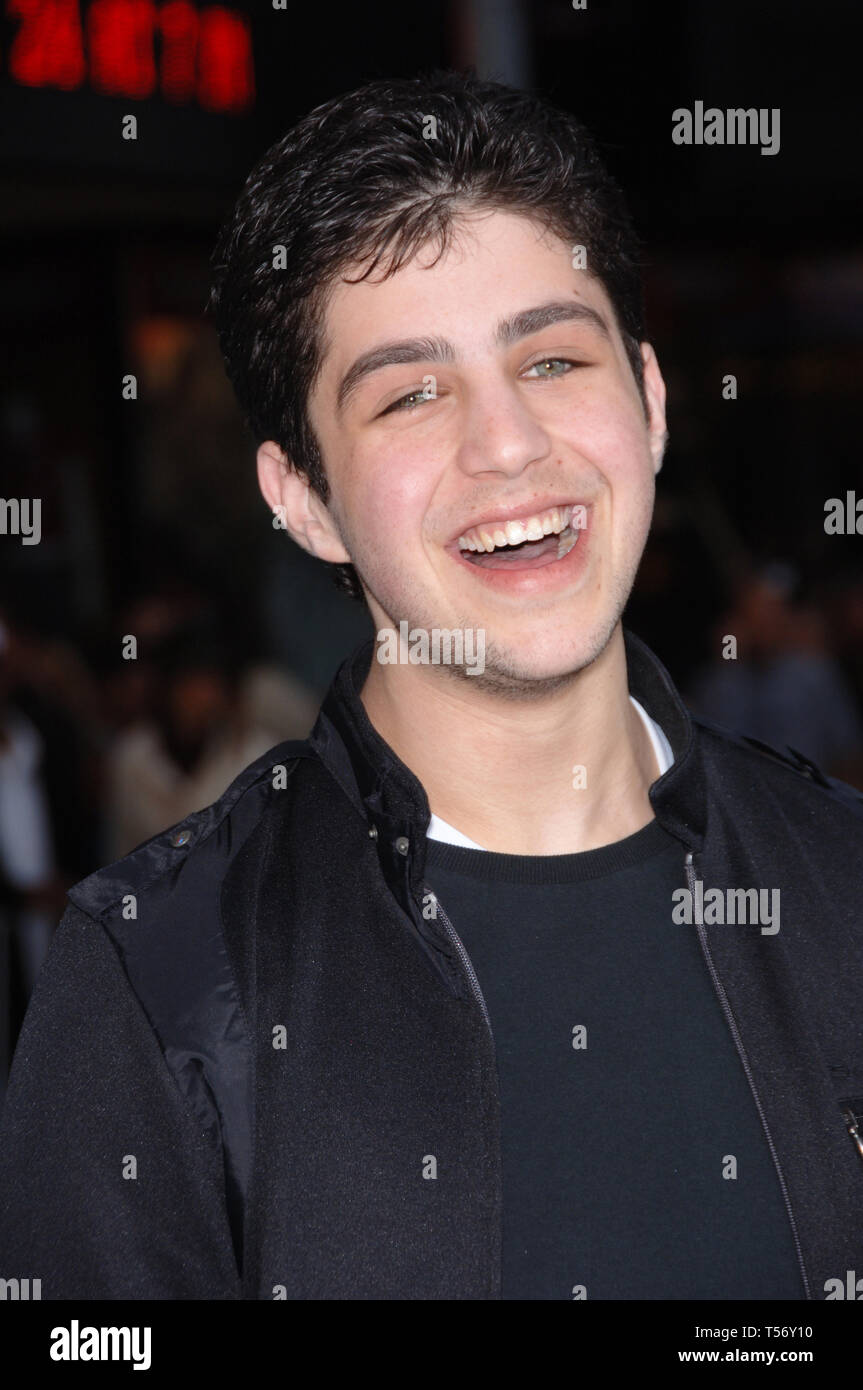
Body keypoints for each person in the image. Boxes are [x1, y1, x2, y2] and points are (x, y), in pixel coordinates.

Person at [1, 71, 861, 1302]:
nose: (505, 444)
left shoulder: (839, 886)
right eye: (410, 392)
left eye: (554, 359)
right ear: (302, 498)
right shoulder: (159, 983)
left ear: (651, 400)